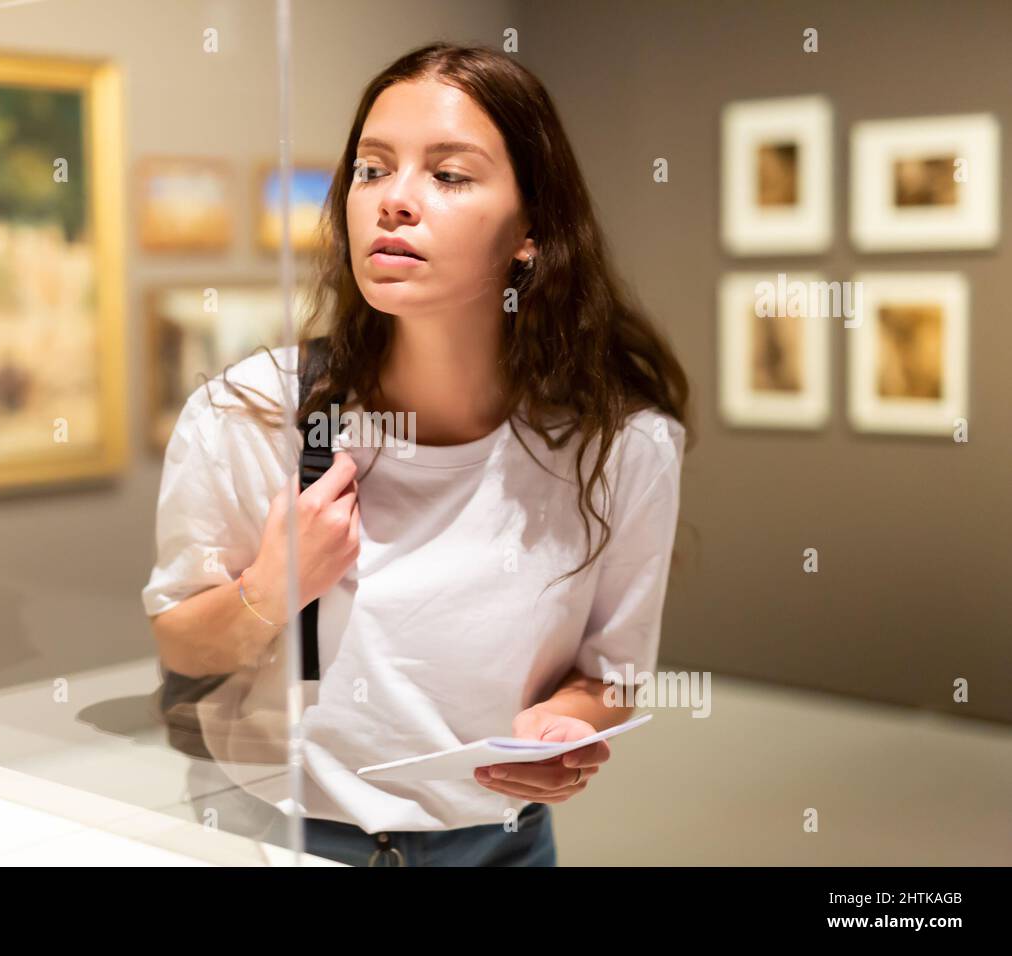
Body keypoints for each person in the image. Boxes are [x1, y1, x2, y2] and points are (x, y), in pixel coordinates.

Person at [143, 41, 692, 867]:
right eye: (372, 169)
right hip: (278, 838)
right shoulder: (253, 412)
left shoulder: (623, 447)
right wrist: (272, 586)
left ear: (532, 230)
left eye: (449, 175)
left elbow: (612, 672)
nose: (394, 201)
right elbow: (183, 647)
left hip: (497, 845)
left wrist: (566, 725)